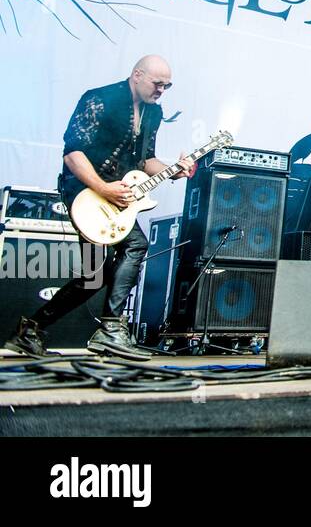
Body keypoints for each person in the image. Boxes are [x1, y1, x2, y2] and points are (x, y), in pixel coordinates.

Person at [5, 56, 194, 360]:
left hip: (115, 197)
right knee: (136, 243)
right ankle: (111, 329)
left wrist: (174, 169)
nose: (162, 90)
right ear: (137, 75)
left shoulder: (153, 113)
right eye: (157, 83)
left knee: (94, 276)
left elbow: (145, 160)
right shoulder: (100, 99)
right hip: (86, 193)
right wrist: (103, 187)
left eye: (167, 85)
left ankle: (30, 331)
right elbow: (72, 153)